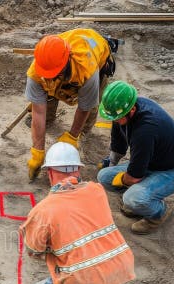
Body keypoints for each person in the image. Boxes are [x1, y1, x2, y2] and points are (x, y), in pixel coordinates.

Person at [17, 142, 135, 284]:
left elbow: (34, 251)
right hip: (120, 268)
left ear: (50, 172)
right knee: (101, 267)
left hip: (84, 282)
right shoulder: (96, 190)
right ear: (77, 170)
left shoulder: (43, 210)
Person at [96, 81, 174, 235]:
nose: (114, 121)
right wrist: (112, 162)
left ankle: (158, 213)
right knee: (104, 176)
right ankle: (140, 201)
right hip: (152, 162)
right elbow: (119, 142)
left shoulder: (146, 130)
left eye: (117, 118)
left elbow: (133, 177)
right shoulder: (122, 110)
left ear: (132, 110)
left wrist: (123, 180)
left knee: (132, 198)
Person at [25, 28, 116, 181]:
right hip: (63, 65)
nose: (49, 79)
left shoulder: (86, 68)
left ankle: (84, 132)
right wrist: (37, 151)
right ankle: (50, 119)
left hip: (97, 55)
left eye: (54, 75)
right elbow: (38, 112)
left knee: (91, 106)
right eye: (46, 76)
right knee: (50, 91)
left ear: (68, 61)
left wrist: (72, 136)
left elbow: (84, 107)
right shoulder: (37, 72)